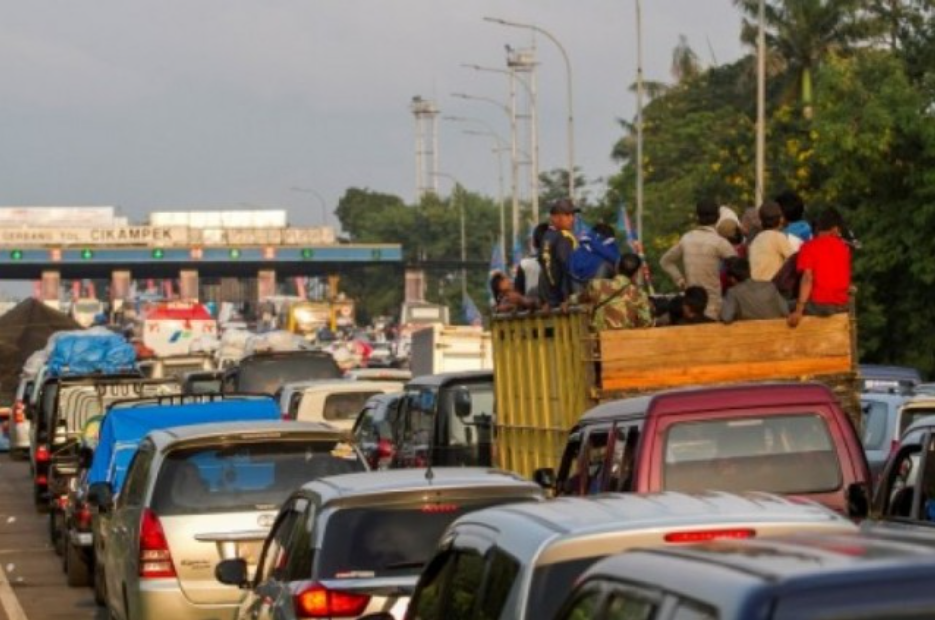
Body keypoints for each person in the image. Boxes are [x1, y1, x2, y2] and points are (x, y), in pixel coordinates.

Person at [660, 199, 737, 319]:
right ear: (717, 217)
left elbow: (665, 261)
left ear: (697, 217)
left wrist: (680, 280)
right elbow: (738, 268)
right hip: (713, 308)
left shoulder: (687, 238)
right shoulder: (720, 242)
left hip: (691, 309)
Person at [788, 208, 852, 327]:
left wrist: (799, 310)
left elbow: (807, 277)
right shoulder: (844, 248)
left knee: (785, 306)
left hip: (819, 305)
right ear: (835, 229)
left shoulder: (808, 247)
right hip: (842, 306)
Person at [577, 252, 654, 330]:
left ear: (617, 267)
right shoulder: (640, 294)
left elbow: (579, 298)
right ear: (636, 274)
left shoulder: (598, 285)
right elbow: (646, 323)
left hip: (600, 339)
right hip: (628, 339)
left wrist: (567, 303)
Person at [720, 257, 790, 323]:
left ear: (732, 278)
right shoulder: (769, 286)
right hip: (776, 330)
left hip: (751, 332)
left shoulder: (733, 292)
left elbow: (726, 317)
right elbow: (785, 310)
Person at [539, 198, 580, 308]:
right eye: (567, 215)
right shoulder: (564, 237)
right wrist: (567, 297)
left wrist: (547, 299)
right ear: (554, 217)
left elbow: (546, 271)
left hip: (549, 301)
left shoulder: (546, 237)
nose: (571, 219)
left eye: (572, 215)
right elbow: (567, 268)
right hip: (563, 302)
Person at [748, 201, 794, 282]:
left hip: (755, 285)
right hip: (771, 287)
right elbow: (792, 259)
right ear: (781, 219)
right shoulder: (778, 237)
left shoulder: (756, 239)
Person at [514, 223, 549, 299]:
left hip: (532, 309)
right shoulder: (563, 261)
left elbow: (518, 294)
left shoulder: (525, 265)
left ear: (534, 243)